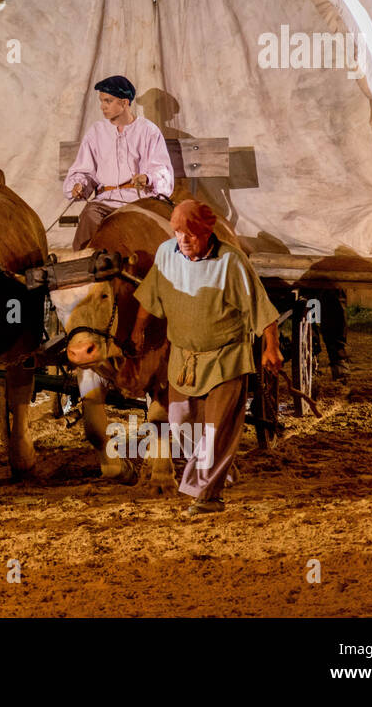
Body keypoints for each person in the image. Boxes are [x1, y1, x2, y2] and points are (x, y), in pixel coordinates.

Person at [131, 200, 283, 516]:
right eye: (177, 232)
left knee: (215, 432)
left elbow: (261, 307)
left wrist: (271, 346)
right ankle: (214, 472)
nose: (182, 239)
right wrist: (137, 330)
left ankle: (209, 497)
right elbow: (150, 296)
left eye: (190, 233)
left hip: (225, 358)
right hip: (183, 360)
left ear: (206, 231)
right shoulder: (165, 255)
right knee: (180, 424)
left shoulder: (231, 262)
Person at [64, 74, 175, 249]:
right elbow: (85, 169)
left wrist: (147, 177)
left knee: (144, 228)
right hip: (104, 202)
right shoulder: (96, 132)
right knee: (89, 215)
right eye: (101, 101)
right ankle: (82, 265)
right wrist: (80, 185)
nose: (102, 107)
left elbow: (162, 168)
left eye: (108, 101)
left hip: (139, 201)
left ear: (124, 103)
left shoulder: (148, 131)